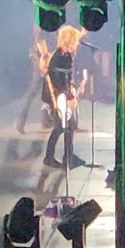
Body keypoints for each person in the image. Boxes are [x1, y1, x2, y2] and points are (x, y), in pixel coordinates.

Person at [43, 26, 87, 168]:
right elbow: (56, 81)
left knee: (68, 126)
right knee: (60, 127)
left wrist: (71, 88)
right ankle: (53, 157)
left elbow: (67, 78)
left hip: (62, 95)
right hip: (56, 97)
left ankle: (67, 157)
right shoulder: (57, 57)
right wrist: (67, 93)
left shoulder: (66, 56)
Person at [16, 29, 50, 135]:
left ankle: (45, 119)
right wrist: (45, 57)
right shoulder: (42, 21)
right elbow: (39, 38)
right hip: (40, 57)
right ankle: (20, 121)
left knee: (48, 88)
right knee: (34, 90)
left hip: (45, 55)